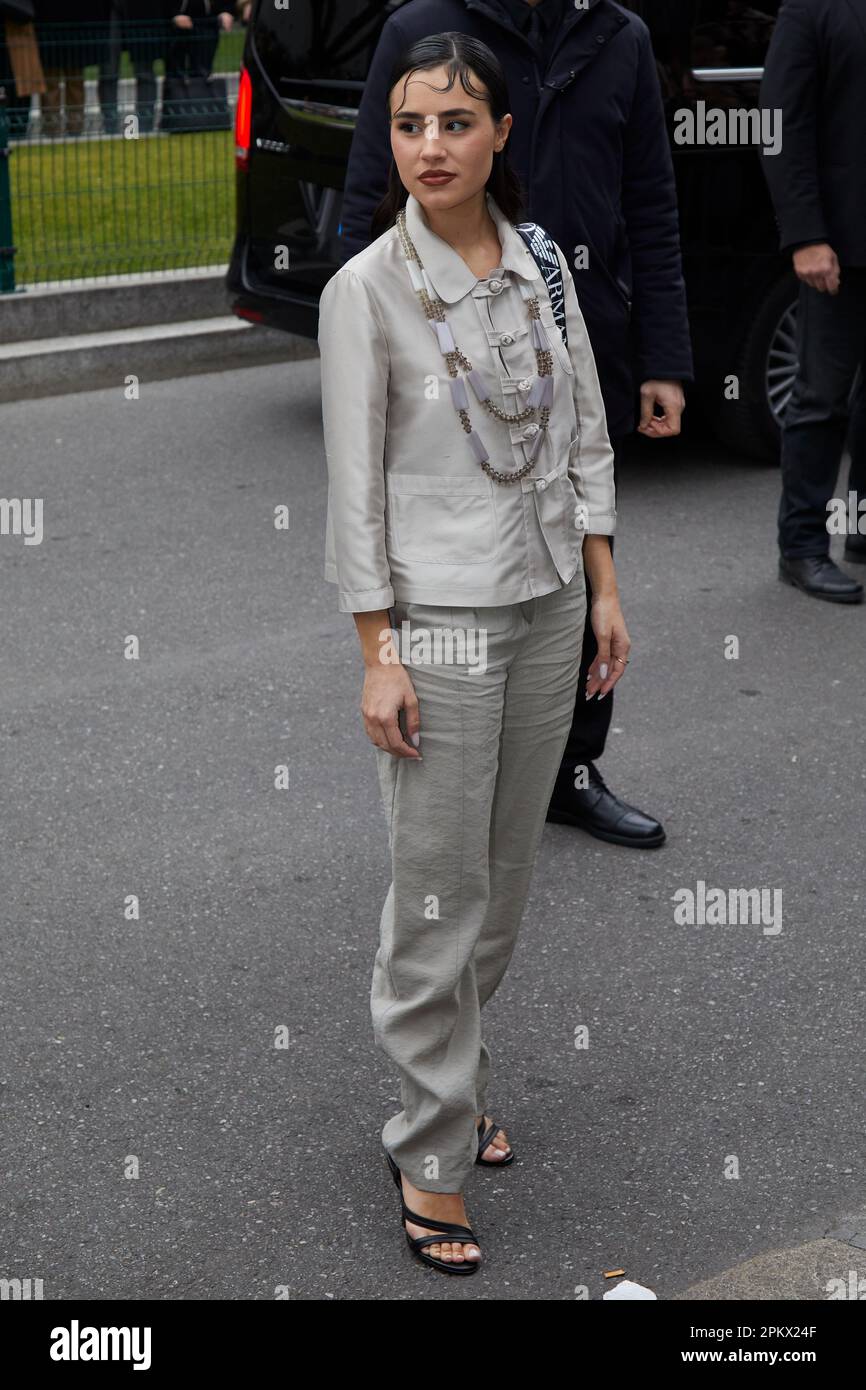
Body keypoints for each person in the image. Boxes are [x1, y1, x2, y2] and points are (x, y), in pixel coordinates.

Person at [318, 31, 627, 1274]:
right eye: (408, 124)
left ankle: (452, 1079)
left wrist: (603, 588)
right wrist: (377, 653)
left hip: (548, 601)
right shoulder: (365, 290)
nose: (429, 147)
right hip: (436, 623)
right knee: (436, 898)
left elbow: (583, 426)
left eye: (454, 122)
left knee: (497, 889)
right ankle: (429, 1147)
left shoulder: (540, 261)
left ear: (500, 134)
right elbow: (353, 497)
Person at [337, 0, 694, 850]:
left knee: (574, 556)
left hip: (572, 327)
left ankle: (569, 766)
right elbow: (367, 192)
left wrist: (665, 356)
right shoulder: (423, 25)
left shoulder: (620, 35)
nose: (433, 138)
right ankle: (468, 763)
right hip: (447, 344)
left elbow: (651, 200)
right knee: (466, 575)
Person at [760, 0, 866, 602]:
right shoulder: (811, 9)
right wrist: (805, 236)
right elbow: (781, 126)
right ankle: (800, 548)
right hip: (838, 247)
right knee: (821, 400)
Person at [33, 0, 113, 137]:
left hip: (64, 25)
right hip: (56, 25)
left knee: (68, 84)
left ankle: (68, 130)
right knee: (59, 84)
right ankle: (56, 131)